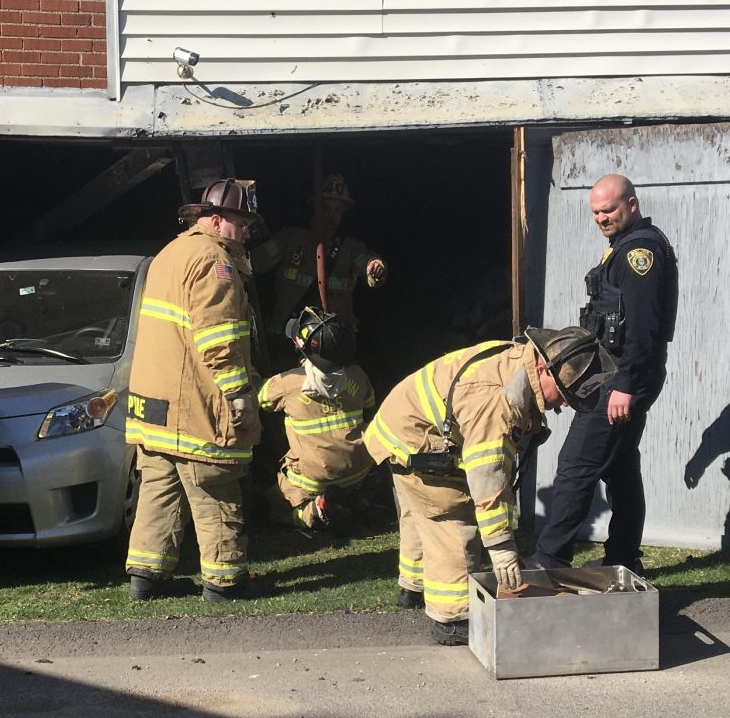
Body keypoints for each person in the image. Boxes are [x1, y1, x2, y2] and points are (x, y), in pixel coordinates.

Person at [363, 327, 616, 645]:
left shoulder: (519, 361)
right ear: (543, 367)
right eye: (564, 393)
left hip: (402, 424)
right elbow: (488, 478)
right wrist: (501, 547)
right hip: (415, 439)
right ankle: (451, 619)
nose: (563, 405)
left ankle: (411, 588)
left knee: (419, 515)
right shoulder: (497, 401)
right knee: (452, 518)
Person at [124, 179, 271, 602]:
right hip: (194, 404)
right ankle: (226, 583)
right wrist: (239, 393)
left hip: (154, 404)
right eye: (242, 223)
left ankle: (146, 579)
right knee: (215, 488)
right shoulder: (214, 261)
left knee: (159, 488)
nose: (247, 232)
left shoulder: (171, 253)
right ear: (216, 219)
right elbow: (218, 338)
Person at [532, 175, 678, 575]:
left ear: (631, 203)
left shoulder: (640, 252)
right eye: (596, 212)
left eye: (609, 210)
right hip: (619, 374)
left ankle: (550, 561)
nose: (601, 218)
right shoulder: (623, 246)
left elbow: (644, 329)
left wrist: (626, 387)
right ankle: (624, 558)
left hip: (622, 378)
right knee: (620, 467)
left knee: (576, 465)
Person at [259, 307, 376, 533]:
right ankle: (355, 501)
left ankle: (315, 511)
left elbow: (260, 399)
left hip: (313, 478)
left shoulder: (287, 383)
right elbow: (369, 403)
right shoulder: (358, 375)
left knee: (273, 503)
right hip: (358, 469)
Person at [252, 173, 385, 359]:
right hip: (289, 339)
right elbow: (255, 264)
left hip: (331, 345)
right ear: (314, 205)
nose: (331, 215)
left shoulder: (350, 248)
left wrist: (375, 267)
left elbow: (370, 268)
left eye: (338, 210)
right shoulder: (291, 238)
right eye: (326, 207)